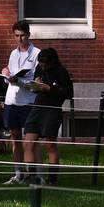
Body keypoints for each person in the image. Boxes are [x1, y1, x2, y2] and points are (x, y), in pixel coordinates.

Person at [22, 47, 72, 184]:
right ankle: (31, 177)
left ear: (52, 61)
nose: (42, 65)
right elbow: (34, 86)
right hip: (38, 107)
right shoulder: (39, 68)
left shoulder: (61, 72)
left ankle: (53, 179)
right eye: (40, 62)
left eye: (45, 62)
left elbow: (68, 93)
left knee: (50, 144)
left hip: (52, 108)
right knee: (28, 141)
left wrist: (48, 88)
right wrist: (36, 84)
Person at [1, 20, 40, 185]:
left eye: (23, 35)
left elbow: (35, 83)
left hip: (28, 101)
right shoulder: (13, 54)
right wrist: (6, 75)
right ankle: (18, 174)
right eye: (17, 36)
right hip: (12, 100)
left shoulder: (37, 53)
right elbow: (9, 79)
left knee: (31, 139)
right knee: (15, 138)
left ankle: (36, 174)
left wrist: (18, 81)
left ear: (28, 35)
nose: (20, 39)